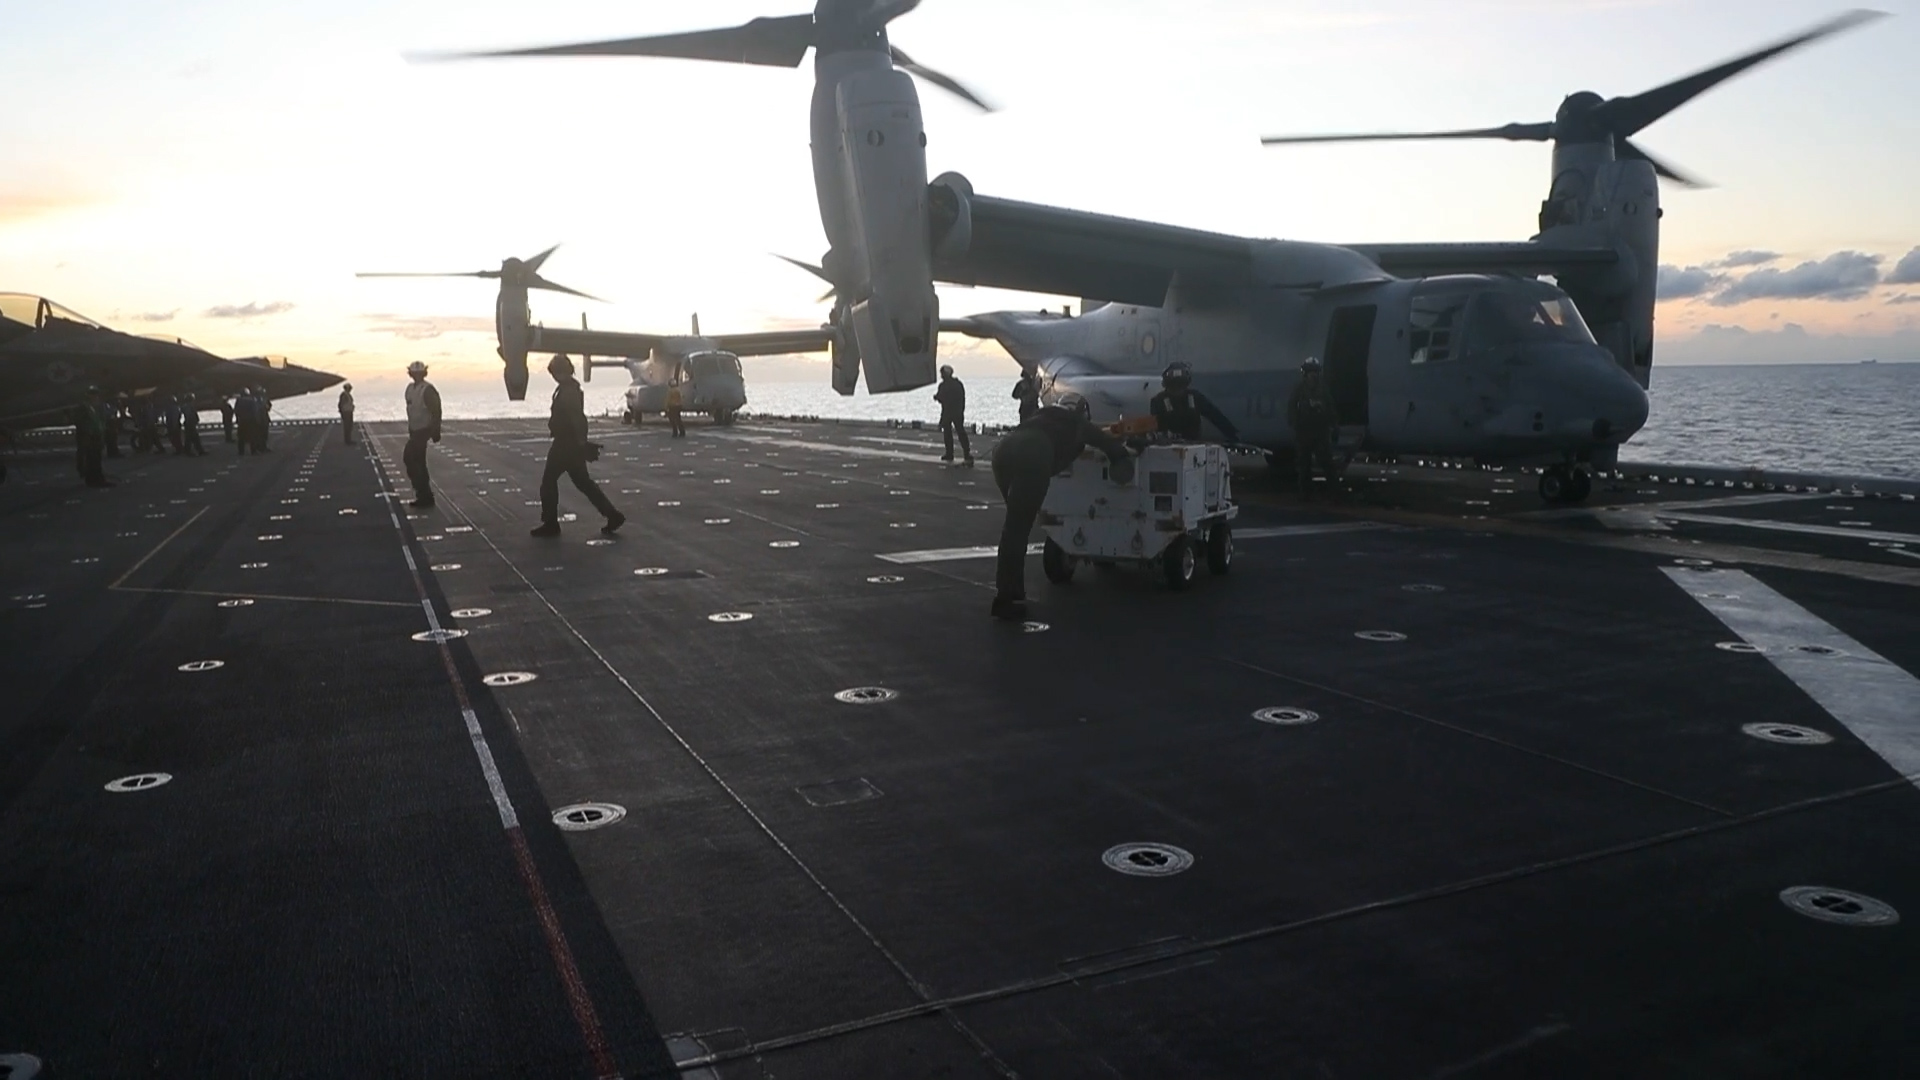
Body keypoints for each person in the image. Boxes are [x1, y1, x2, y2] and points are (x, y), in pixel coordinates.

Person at [988, 393, 1133, 621]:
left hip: (1003, 451)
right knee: (1017, 531)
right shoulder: (1077, 422)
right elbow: (1110, 446)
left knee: (1013, 529)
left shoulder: (1041, 415)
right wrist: (1124, 459)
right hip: (1034, 453)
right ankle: (1006, 599)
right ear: (1082, 412)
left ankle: (1008, 593)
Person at [531, 354, 624, 537]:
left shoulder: (568, 391)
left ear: (561, 371)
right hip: (570, 443)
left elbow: (577, 418)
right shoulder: (568, 388)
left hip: (565, 444)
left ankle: (551, 523)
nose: (554, 377)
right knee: (584, 483)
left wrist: (581, 442)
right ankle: (613, 515)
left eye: (555, 373)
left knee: (548, 482)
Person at [1149, 362, 1239, 443]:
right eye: (1174, 385)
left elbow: (1216, 416)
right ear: (1167, 385)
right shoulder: (1158, 401)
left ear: (1186, 384)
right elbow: (1152, 429)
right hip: (1166, 448)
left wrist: (1234, 434)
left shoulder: (1195, 397)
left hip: (1195, 447)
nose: (1177, 390)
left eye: (1180, 385)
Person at [1288, 357, 1339, 495]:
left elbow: (1330, 407)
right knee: (1304, 464)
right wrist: (1295, 423)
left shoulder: (1323, 390)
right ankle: (1305, 493)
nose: (1313, 375)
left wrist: (1334, 425)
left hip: (1320, 431)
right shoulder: (1300, 389)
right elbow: (1292, 407)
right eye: (1310, 371)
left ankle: (1335, 492)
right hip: (1304, 431)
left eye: (1315, 371)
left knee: (1326, 462)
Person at [401, 362, 441, 507]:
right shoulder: (409, 389)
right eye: (414, 373)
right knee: (418, 462)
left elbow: (436, 411)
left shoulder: (428, 390)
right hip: (414, 430)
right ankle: (424, 495)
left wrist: (435, 431)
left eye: (419, 373)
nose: (416, 376)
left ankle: (424, 494)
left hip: (423, 430)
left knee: (411, 458)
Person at [934, 364, 973, 466]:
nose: (941, 375)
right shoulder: (957, 384)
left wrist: (937, 397)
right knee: (959, 432)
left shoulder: (944, 385)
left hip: (949, 411)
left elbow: (941, 397)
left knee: (949, 433)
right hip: (956, 411)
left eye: (942, 373)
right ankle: (966, 453)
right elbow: (962, 398)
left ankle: (950, 453)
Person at [73, 387, 112, 488]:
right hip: (89, 436)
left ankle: (94, 479)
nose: (96, 398)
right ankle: (95, 479)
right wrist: (87, 433)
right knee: (92, 459)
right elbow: (81, 422)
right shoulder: (84, 408)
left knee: (96, 459)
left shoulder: (93, 408)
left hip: (95, 435)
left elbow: (98, 422)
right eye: (94, 395)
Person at [252, 388, 273, 453]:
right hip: (259, 418)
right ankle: (260, 447)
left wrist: (267, 407)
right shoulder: (254, 399)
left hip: (262, 418)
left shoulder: (264, 398)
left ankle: (262, 447)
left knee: (263, 434)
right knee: (260, 434)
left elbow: (269, 405)